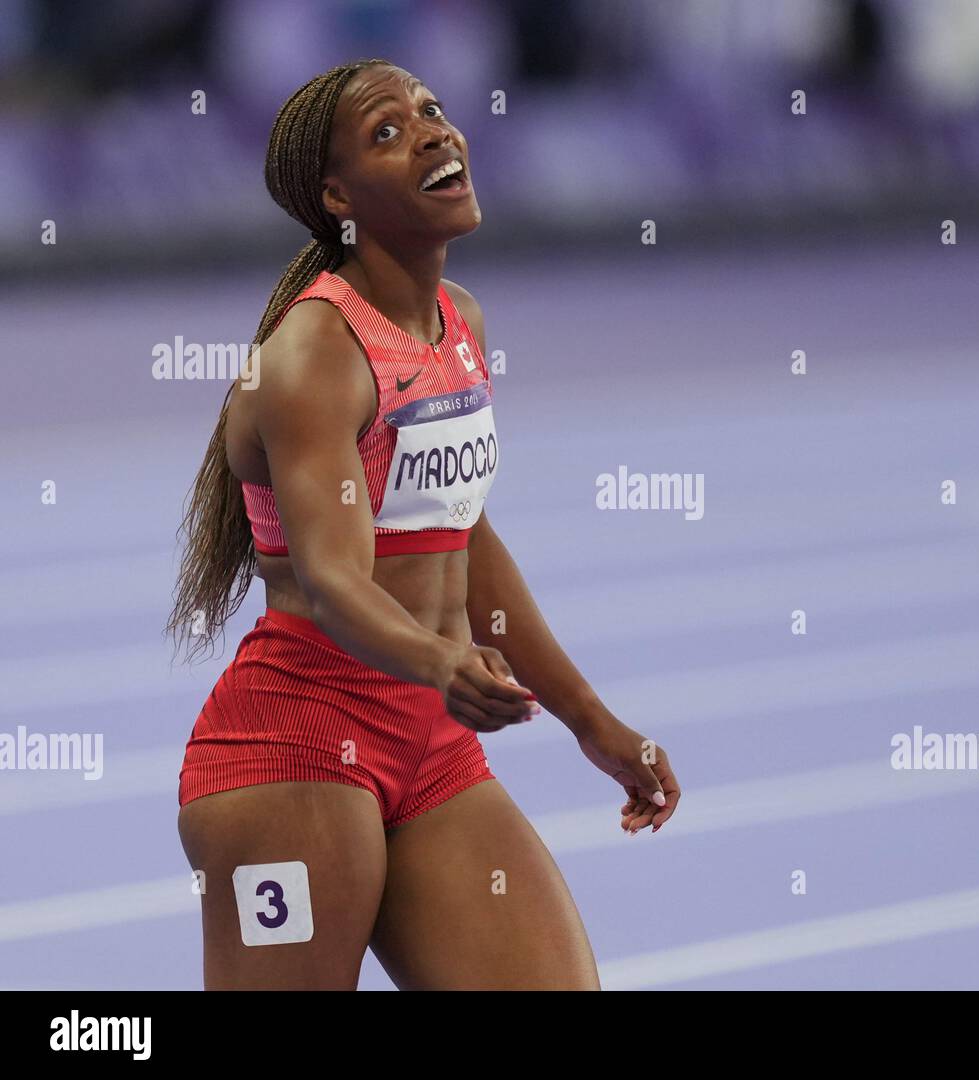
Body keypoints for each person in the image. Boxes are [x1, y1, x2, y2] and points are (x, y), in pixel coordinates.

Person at [166, 58, 680, 990]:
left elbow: (464, 540)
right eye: (389, 133)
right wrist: (444, 661)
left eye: (433, 112)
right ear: (339, 197)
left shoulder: (459, 323)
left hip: (428, 743)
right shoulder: (315, 354)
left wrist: (591, 721)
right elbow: (332, 578)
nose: (435, 131)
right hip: (296, 745)